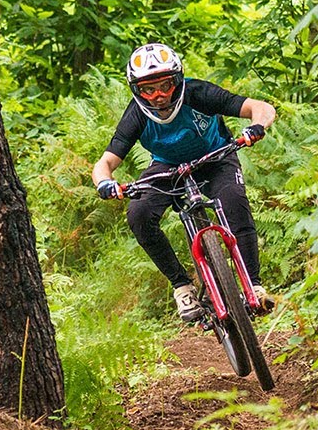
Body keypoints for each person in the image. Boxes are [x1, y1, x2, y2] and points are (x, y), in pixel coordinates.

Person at [91, 43, 277, 322]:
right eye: (148, 89)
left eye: (165, 86)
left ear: (177, 80)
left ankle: (254, 286)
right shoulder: (137, 114)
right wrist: (105, 183)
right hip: (168, 168)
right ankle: (182, 286)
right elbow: (105, 163)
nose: (158, 96)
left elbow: (259, 107)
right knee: (139, 213)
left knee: (234, 203)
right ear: (136, 90)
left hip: (217, 157)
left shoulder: (198, 93)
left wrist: (257, 126)